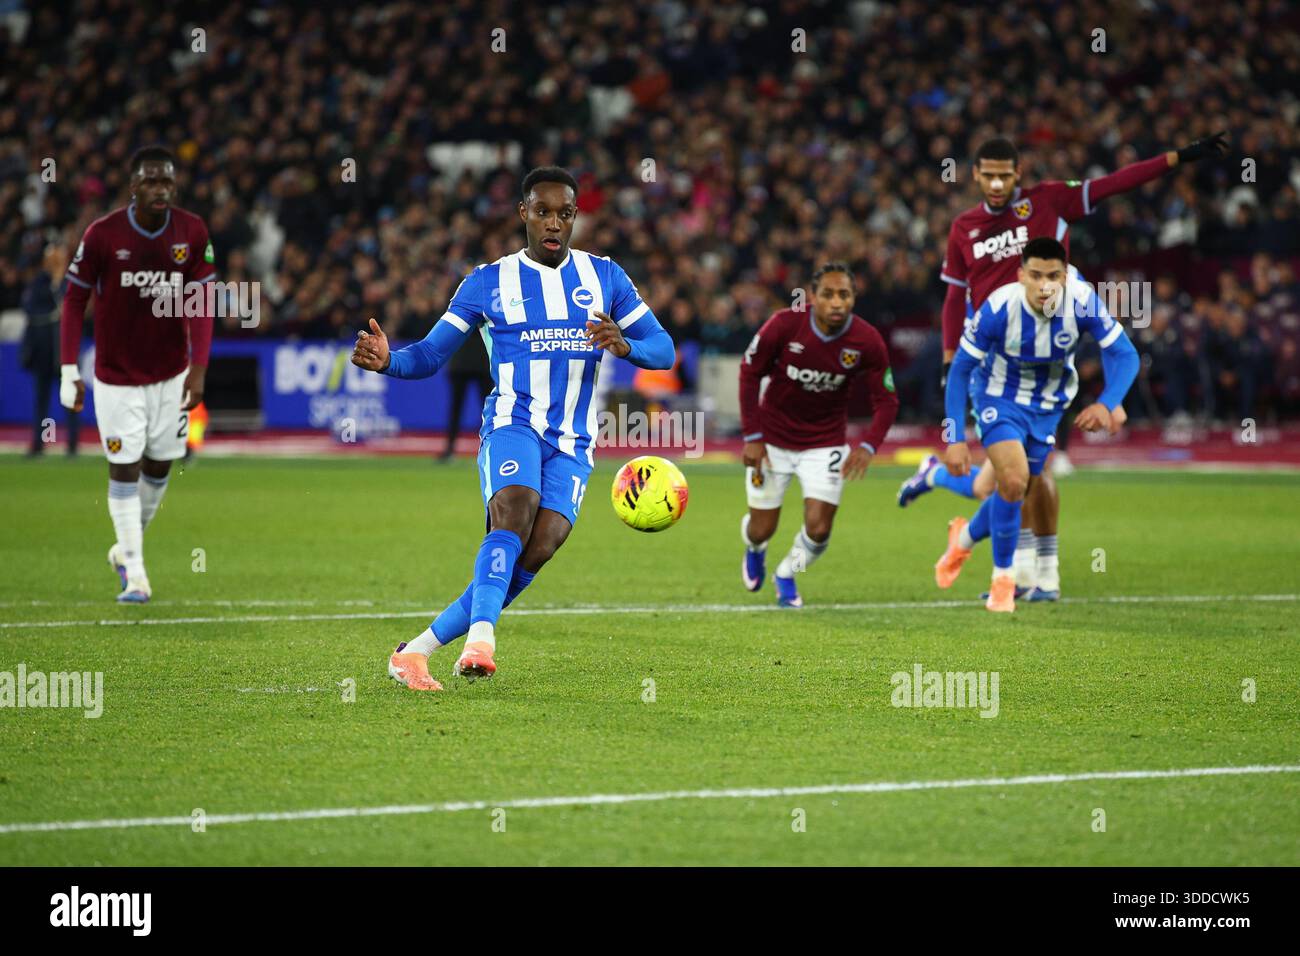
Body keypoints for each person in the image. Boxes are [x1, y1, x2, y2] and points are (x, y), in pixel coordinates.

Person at [352, 167, 675, 690]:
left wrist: (626, 345)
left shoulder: (606, 277)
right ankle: (482, 639)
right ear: (522, 213)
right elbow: (431, 355)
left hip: (572, 439)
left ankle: (414, 653)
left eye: (565, 213)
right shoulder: (487, 282)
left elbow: (664, 350)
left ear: (576, 218)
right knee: (516, 508)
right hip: (512, 422)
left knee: (541, 544)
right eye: (543, 211)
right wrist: (390, 360)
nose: (554, 222)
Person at [899, 132, 1228, 600]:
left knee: (1010, 482)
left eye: (1004, 175)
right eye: (987, 175)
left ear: (1018, 174)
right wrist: (953, 358)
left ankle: (1003, 552)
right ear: (974, 175)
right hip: (993, 362)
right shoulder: (963, 228)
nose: (996, 184)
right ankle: (1024, 573)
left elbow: (1116, 183)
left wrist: (1179, 156)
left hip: (1050, 360)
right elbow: (955, 295)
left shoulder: (1050, 201)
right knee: (1016, 480)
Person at [934, 238, 1138, 612]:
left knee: (1019, 484)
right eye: (1036, 275)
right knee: (1013, 481)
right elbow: (960, 370)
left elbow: (1124, 353)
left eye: (1054, 276)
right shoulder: (998, 306)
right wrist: (955, 436)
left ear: (1066, 275)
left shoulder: (1081, 299)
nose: (1045, 285)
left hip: (1047, 404)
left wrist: (1109, 403)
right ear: (1020, 275)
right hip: (998, 397)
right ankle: (1004, 578)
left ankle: (966, 542)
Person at [59, 146, 215, 603]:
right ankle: (137, 573)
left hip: (171, 374)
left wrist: (199, 369)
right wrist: (70, 368)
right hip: (115, 377)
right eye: (150, 180)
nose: (160, 188)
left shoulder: (192, 230)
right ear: (133, 187)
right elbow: (72, 301)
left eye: (166, 180)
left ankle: (125, 550)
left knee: (160, 465)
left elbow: (203, 303)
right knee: (124, 467)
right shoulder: (104, 234)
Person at [737, 263, 899, 608]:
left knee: (819, 528)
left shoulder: (867, 340)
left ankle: (787, 573)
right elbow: (749, 373)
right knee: (761, 528)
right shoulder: (785, 324)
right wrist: (752, 435)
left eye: (845, 294)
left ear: (854, 298)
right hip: (772, 440)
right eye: (828, 294)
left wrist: (869, 445)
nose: (837, 302)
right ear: (813, 297)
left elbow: (886, 399)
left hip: (825, 443)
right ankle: (755, 548)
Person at [20, 243, 78, 456]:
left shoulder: (68, 283)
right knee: (42, 401)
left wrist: (57, 285)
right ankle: (41, 442)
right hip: (43, 351)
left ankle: (72, 445)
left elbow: (70, 309)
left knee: (69, 399)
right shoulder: (38, 283)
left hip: (63, 353)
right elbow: (30, 308)